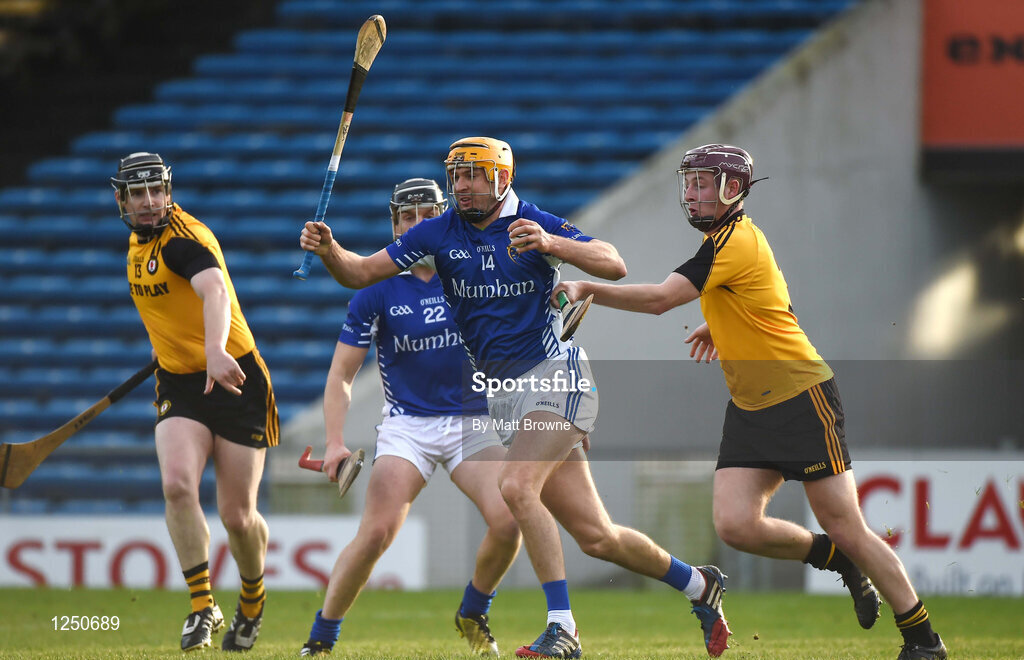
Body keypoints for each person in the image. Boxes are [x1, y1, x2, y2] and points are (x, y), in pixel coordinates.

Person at [300, 138, 732, 659]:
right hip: (506, 398)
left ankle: (563, 629)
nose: (460, 186)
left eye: (472, 176)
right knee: (597, 537)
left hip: (556, 376)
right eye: (455, 176)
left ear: (501, 177)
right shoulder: (439, 232)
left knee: (516, 486)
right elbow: (360, 272)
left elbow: (613, 264)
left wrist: (554, 243)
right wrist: (329, 252)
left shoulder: (531, 221)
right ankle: (698, 585)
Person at [554, 144, 947, 660]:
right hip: (750, 407)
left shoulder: (734, 241)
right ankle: (835, 560)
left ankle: (924, 641)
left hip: (801, 396)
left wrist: (587, 288)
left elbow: (657, 301)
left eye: (701, 182)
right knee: (736, 525)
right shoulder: (728, 241)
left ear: (731, 189)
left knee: (847, 524)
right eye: (689, 182)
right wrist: (721, 322)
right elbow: (773, 297)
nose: (691, 193)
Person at [299, 178, 521, 657]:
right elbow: (341, 374)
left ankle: (474, 608)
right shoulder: (376, 292)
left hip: (473, 421)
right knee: (376, 533)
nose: (417, 225)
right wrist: (334, 440)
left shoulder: (474, 272)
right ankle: (321, 638)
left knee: (510, 520)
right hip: (409, 427)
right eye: (407, 217)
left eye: (427, 215)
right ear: (394, 223)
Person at [112, 152, 278, 652]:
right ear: (121, 198)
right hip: (181, 382)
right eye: (136, 194)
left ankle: (252, 600)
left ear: (168, 191)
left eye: (154, 191)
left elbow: (215, 293)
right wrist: (182, 351)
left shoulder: (186, 238)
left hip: (235, 378)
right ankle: (202, 605)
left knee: (238, 516)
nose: (147, 202)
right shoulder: (137, 243)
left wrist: (212, 351)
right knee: (177, 484)